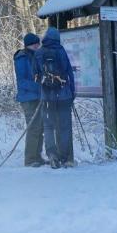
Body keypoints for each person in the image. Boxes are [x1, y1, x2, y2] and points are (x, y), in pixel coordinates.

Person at [34, 26, 76, 168]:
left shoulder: (38, 53)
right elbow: (69, 72)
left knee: (48, 127)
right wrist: (72, 93)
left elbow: (35, 76)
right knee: (64, 127)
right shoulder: (61, 51)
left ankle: (52, 155)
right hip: (63, 96)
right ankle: (64, 158)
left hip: (47, 98)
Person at [13, 33, 45, 167]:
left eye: (38, 43)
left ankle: (38, 156)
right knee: (33, 128)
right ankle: (30, 159)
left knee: (40, 127)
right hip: (27, 98)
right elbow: (22, 82)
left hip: (38, 97)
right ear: (29, 44)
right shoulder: (22, 58)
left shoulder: (36, 56)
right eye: (35, 43)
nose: (38, 45)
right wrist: (39, 86)